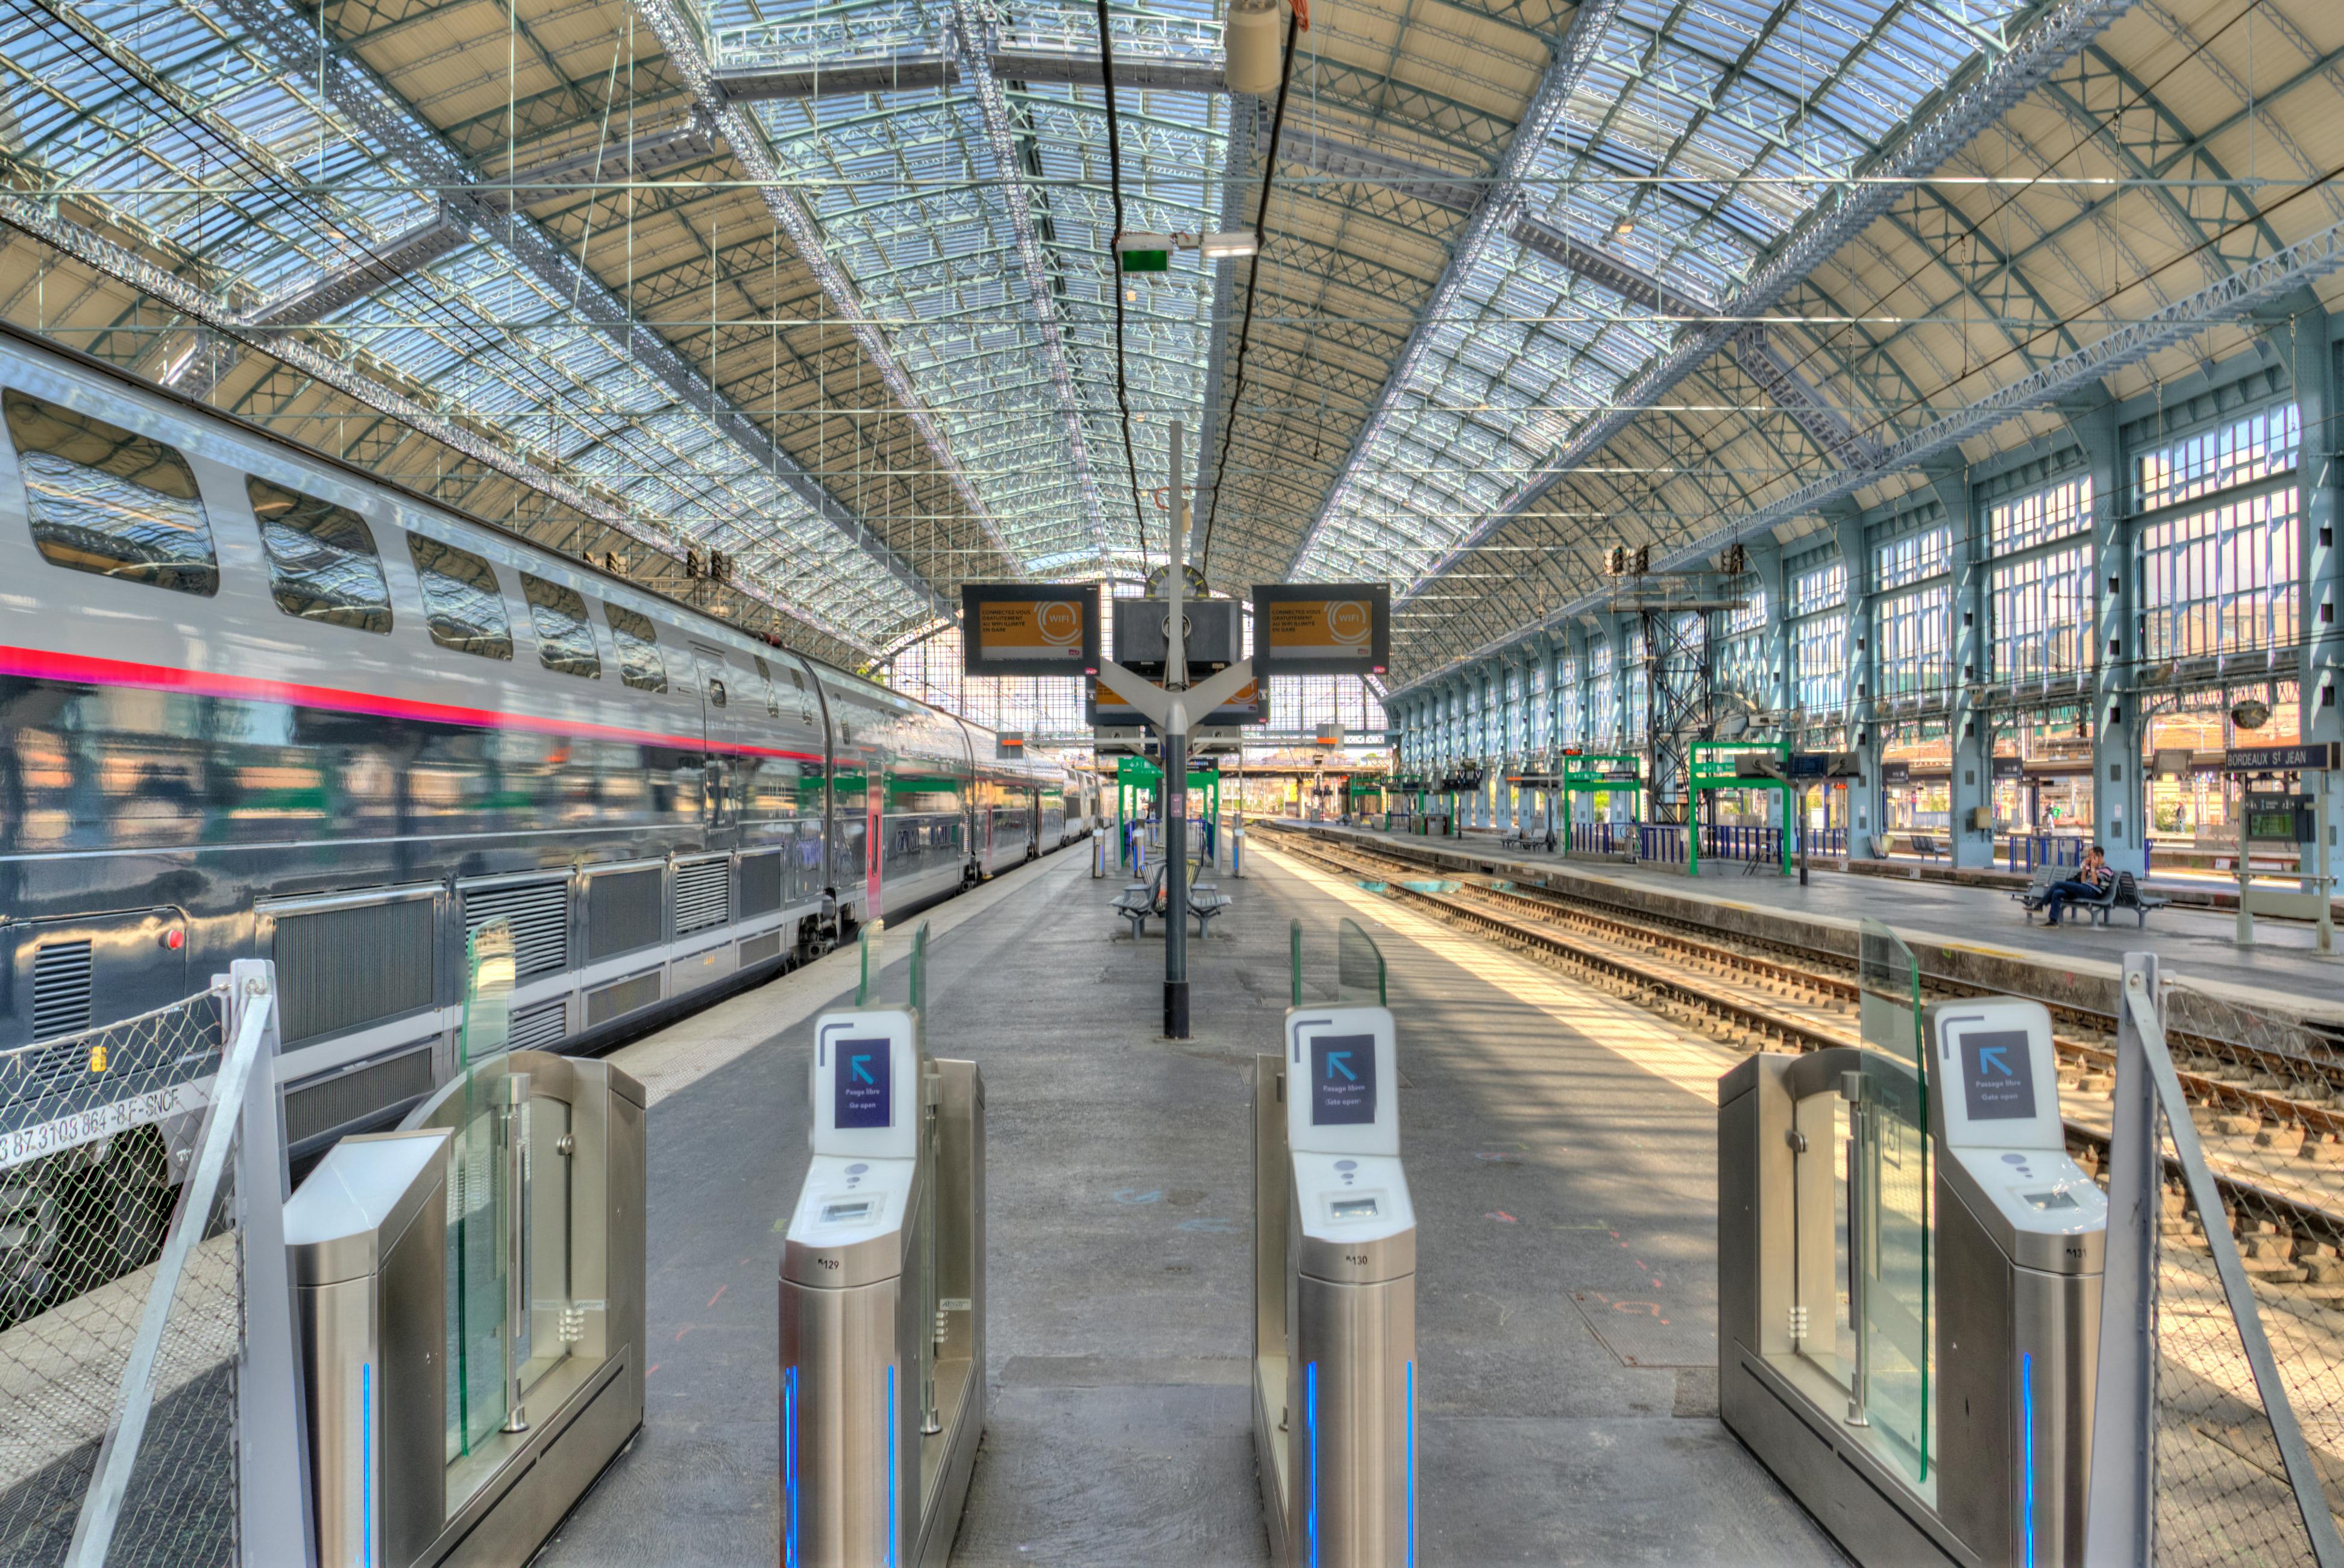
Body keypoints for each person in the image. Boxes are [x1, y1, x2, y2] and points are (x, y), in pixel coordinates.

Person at [2043, 845, 2114, 926]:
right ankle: (2053, 921)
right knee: (2057, 893)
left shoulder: (2106, 869)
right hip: (2085, 889)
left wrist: (2093, 868)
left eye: (2091, 855)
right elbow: (2083, 882)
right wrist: (2084, 869)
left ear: (2099, 856)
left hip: (2093, 892)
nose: (2089, 857)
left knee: (2058, 884)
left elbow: (2095, 883)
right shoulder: (2093, 868)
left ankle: (2040, 905)